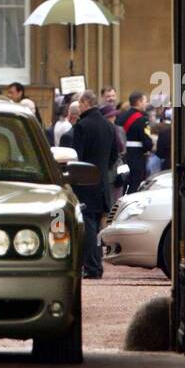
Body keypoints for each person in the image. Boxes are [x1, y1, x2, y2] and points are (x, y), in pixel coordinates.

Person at [72, 89, 118, 279]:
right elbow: (114, 155)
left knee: (88, 226)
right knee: (97, 226)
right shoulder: (109, 126)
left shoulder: (82, 126)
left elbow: (77, 157)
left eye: (80, 104)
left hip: (84, 182)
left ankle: (92, 267)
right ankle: (96, 265)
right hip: (102, 182)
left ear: (84, 103)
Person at [116, 91, 154, 193]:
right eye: (145, 101)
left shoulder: (121, 117)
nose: (146, 104)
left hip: (123, 156)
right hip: (137, 157)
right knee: (136, 184)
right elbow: (147, 142)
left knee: (124, 183)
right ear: (139, 102)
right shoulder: (142, 119)